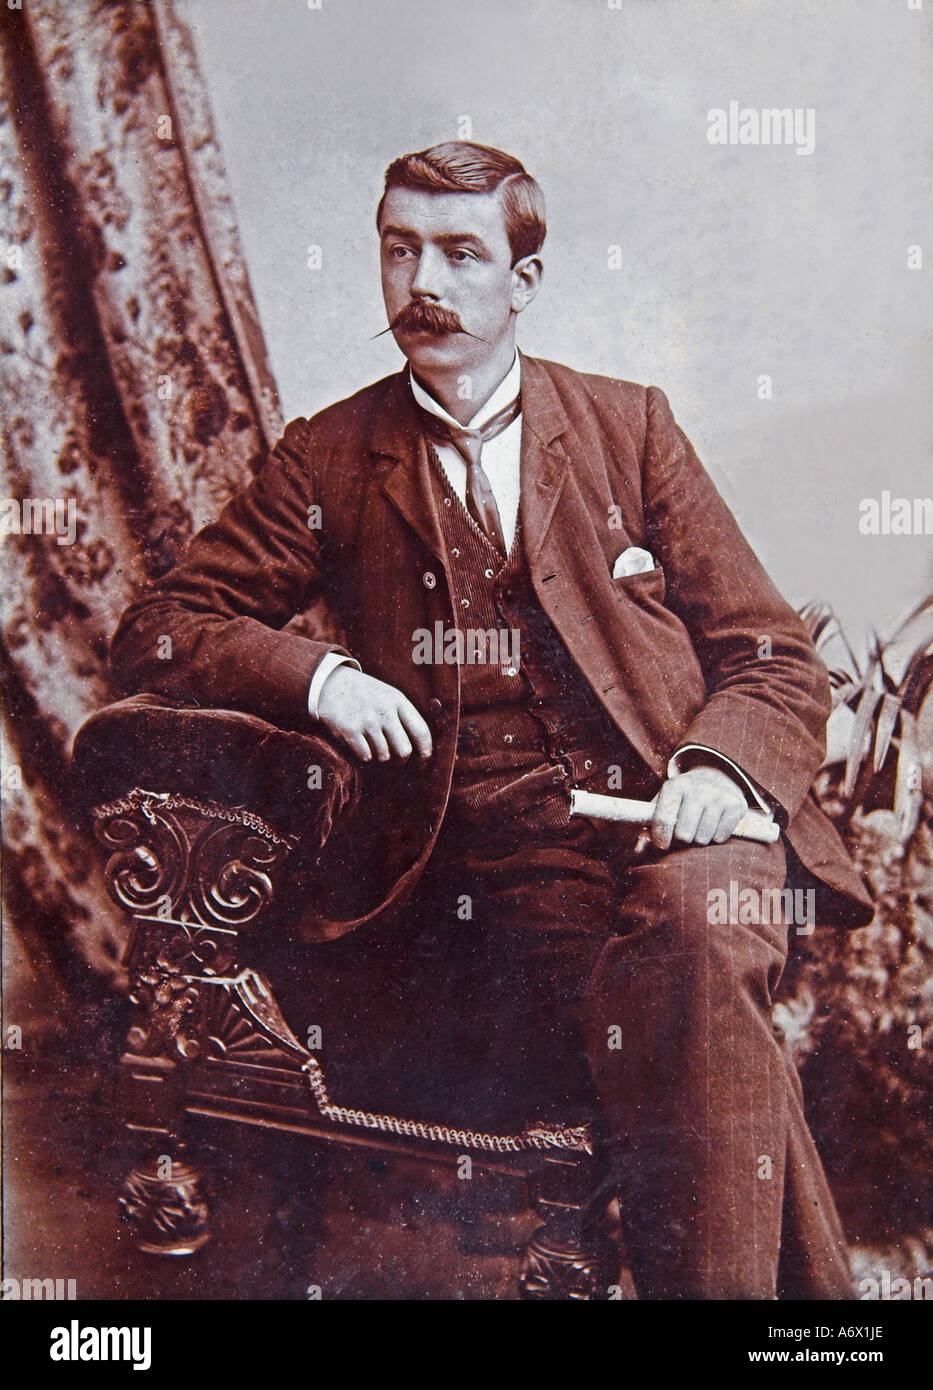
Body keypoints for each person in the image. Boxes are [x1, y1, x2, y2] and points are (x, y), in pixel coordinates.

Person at [111, 141, 874, 1299]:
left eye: (462, 254)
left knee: (704, 916)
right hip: (476, 869)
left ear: (523, 282)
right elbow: (162, 625)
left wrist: (719, 766)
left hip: (675, 810)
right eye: (399, 248)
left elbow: (771, 652)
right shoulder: (330, 456)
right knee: (698, 985)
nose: (424, 281)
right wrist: (320, 678)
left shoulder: (631, 429)